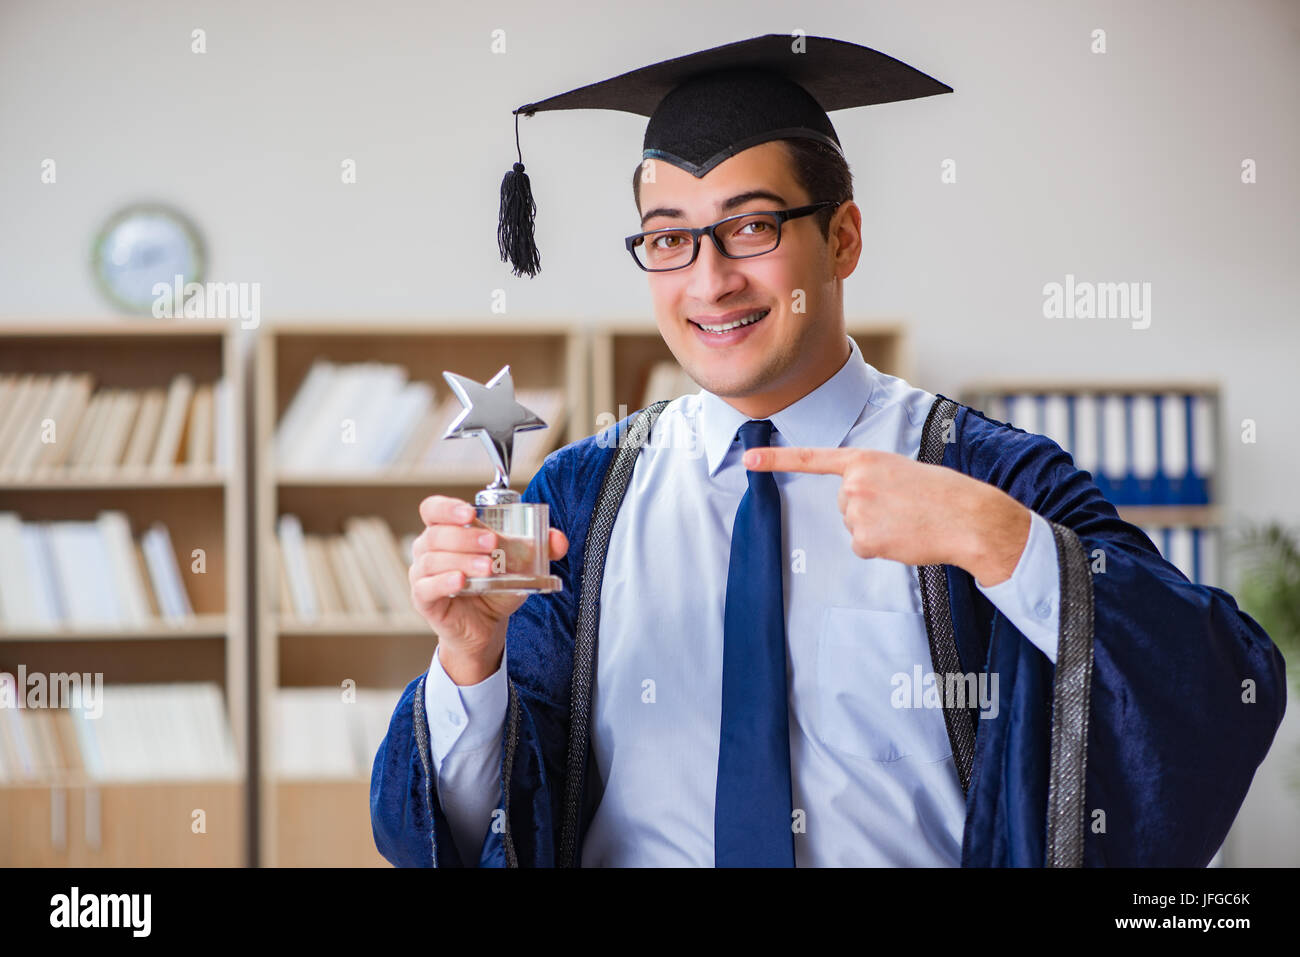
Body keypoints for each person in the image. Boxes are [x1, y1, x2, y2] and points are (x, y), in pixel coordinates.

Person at [370, 34, 1286, 867]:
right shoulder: (583, 496)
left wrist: (1006, 545)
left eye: (752, 227)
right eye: (669, 239)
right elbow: (467, 832)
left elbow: (1217, 687)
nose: (711, 278)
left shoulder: (983, 471)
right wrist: (468, 666)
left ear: (842, 238)